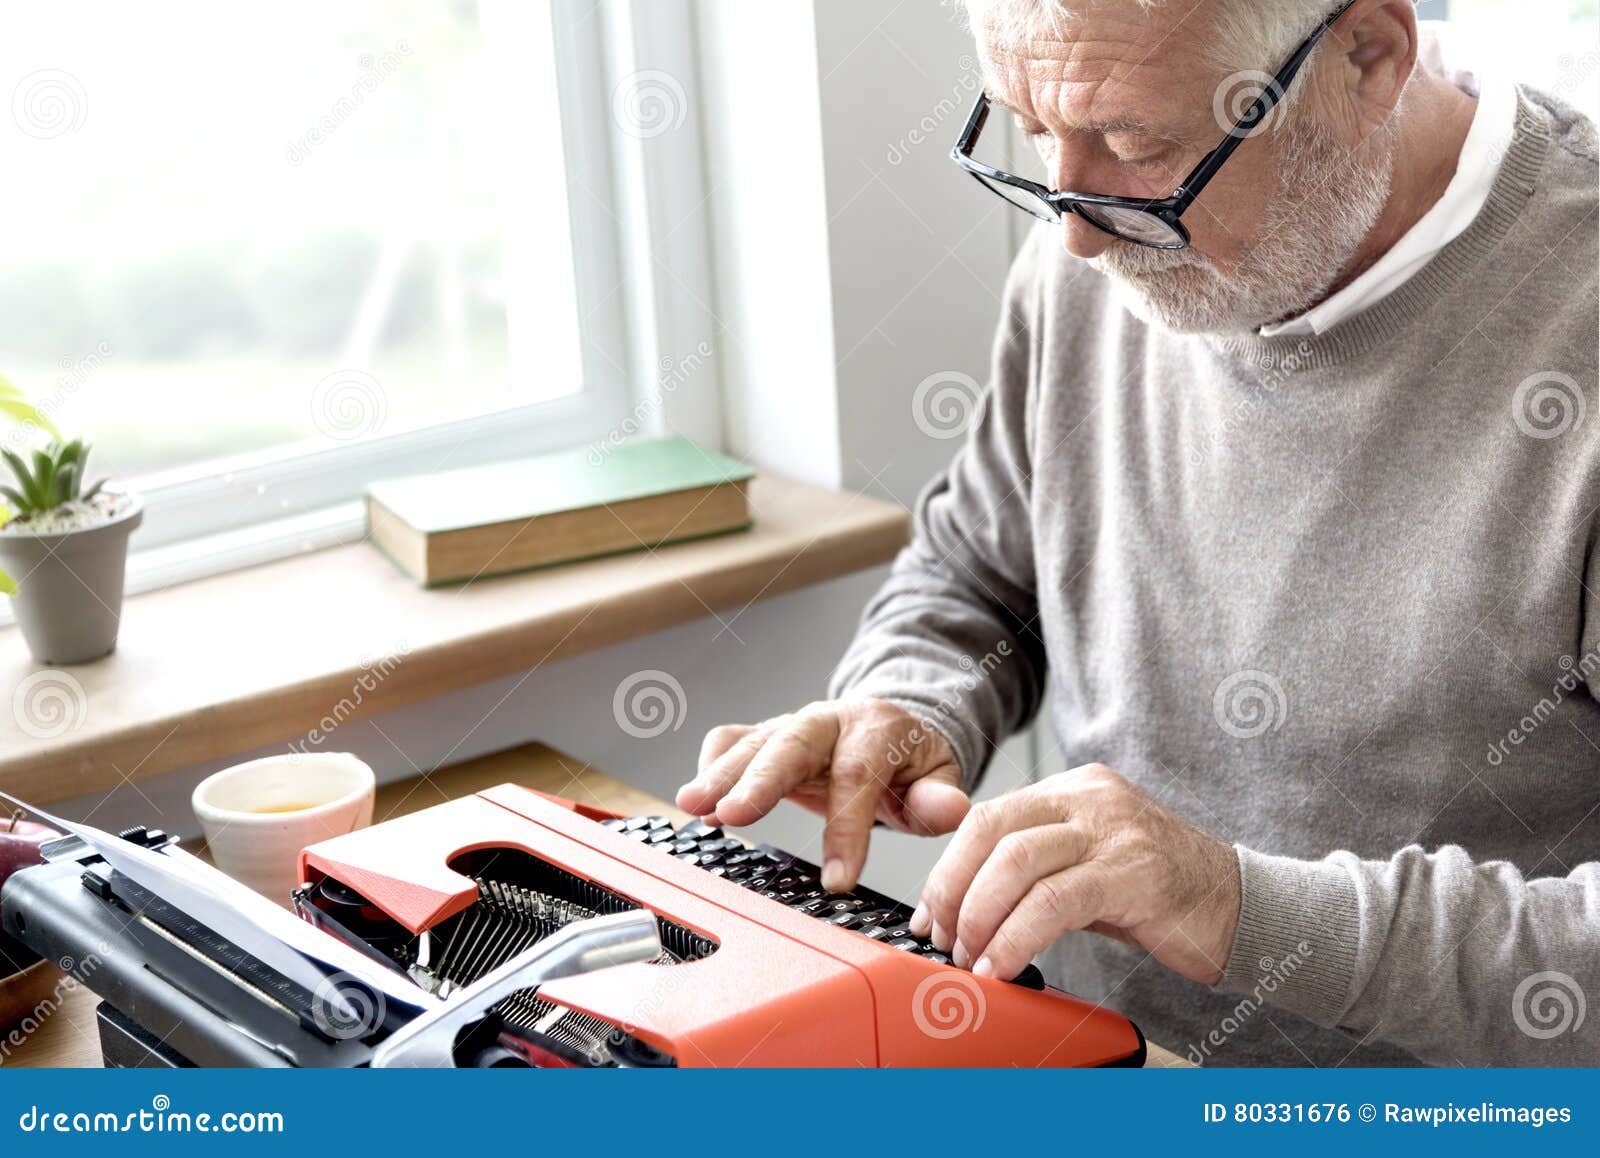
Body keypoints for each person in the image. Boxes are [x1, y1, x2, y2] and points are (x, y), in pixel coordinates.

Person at [679, 0, 1599, 1065]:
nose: (1069, 233)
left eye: (1136, 145)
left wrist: (1238, 910)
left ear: (1366, 54)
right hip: (1086, 1057)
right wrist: (914, 700)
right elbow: (980, 571)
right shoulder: (1106, 244)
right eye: (1028, 128)